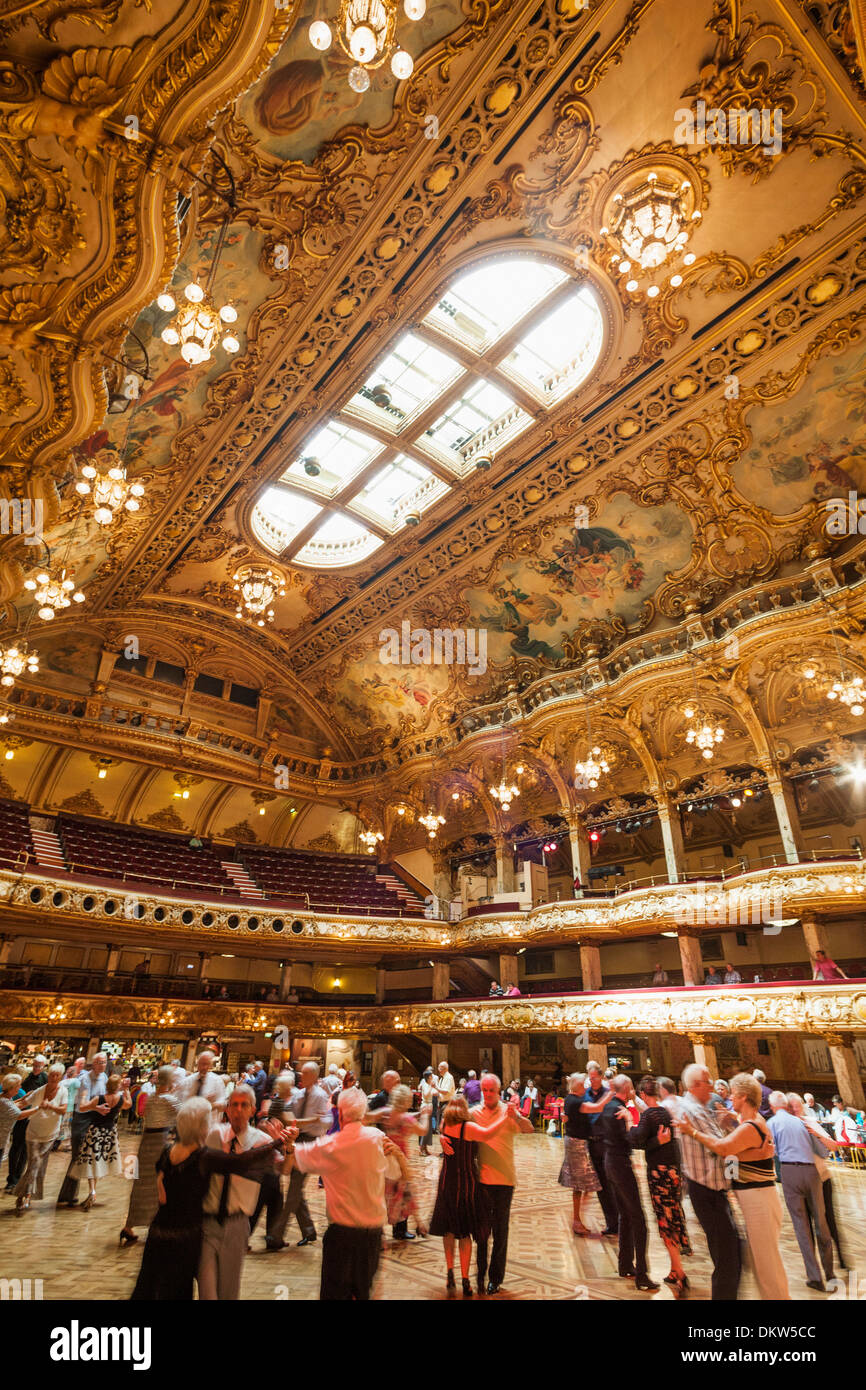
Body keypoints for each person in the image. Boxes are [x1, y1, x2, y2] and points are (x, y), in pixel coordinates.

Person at [131, 1096, 281, 1300]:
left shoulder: (168, 1151)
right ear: (201, 1126)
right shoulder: (204, 1157)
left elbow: (162, 1196)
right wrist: (277, 1142)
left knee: (150, 1287)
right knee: (176, 1290)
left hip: (159, 1232)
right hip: (185, 1235)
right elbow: (241, 1162)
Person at [284, 1085, 408, 1300]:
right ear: (363, 1113)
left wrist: (288, 1144)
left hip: (341, 1236)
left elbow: (292, 1161)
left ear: (339, 1114)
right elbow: (397, 1172)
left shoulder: (332, 1145)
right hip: (372, 1236)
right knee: (363, 1293)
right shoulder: (378, 1138)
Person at [678, 1072, 788, 1299]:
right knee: (760, 1260)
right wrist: (732, 1125)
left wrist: (692, 1131)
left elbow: (724, 1149)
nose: (730, 1099)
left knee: (766, 1263)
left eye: (734, 1095)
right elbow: (734, 1156)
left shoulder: (750, 1125)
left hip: (759, 1199)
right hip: (754, 1199)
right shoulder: (746, 1124)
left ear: (744, 1097)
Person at [430, 1091, 518, 1297]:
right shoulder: (467, 1127)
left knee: (448, 1229)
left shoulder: (444, 1125)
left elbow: (441, 1130)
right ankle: (465, 1278)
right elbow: (487, 1133)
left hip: (446, 1181)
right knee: (465, 1231)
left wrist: (441, 1137)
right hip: (466, 1183)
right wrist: (505, 1117)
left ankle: (450, 1272)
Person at [199, 1085, 275, 1299]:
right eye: (234, 1105)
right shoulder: (215, 1135)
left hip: (237, 1223)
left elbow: (283, 1170)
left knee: (228, 1292)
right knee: (207, 1291)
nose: (238, 1110)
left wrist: (287, 1148)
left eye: (244, 1105)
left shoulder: (262, 1141)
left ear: (253, 1110)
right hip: (209, 1222)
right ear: (227, 1109)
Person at [677, 1062, 741, 1300]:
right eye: (708, 1081)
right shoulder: (691, 1110)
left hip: (713, 1188)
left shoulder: (702, 1108)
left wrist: (726, 1126)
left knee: (730, 1253)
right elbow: (723, 1148)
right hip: (707, 1190)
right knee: (727, 1257)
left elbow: (718, 1143)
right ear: (695, 1085)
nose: (713, 1086)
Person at [624, 1076, 691, 1296]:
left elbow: (635, 1140)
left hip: (659, 1174)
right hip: (673, 1171)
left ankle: (679, 1271)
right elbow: (662, 1139)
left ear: (643, 1094)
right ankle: (674, 1268)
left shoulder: (647, 1116)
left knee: (665, 1220)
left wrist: (627, 1122)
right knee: (674, 1216)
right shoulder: (664, 1112)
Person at [471, 1072, 534, 1294]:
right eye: (484, 1090)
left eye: (491, 1091)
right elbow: (449, 1126)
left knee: (500, 1232)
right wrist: (441, 1137)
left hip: (505, 1181)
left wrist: (516, 1117)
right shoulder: (473, 1113)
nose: (487, 1094)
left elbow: (529, 1129)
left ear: (499, 1092)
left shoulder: (508, 1111)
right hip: (481, 1181)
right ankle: (480, 1274)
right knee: (480, 1233)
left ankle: (495, 1278)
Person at [767, 1091, 835, 1292]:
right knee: (821, 1223)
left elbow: (772, 1151)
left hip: (789, 1171)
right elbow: (824, 1150)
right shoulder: (802, 1123)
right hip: (812, 1172)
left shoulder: (772, 1123)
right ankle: (830, 1273)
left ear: (772, 1106)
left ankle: (815, 1277)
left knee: (801, 1225)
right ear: (787, 1105)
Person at [599, 1075, 659, 1290]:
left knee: (625, 1214)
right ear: (628, 1089)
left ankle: (625, 1264)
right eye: (632, 1088)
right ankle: (642, 1275)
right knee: (639, 1220)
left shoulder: (608, 1106)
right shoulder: (619, 1110)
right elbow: (633, 1140)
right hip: (620, 1165)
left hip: (609, 1162)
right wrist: (629, 1122)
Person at [266, 1061, 330, 1250]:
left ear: (316, 1076)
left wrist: (309, 1123)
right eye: (302, 1074)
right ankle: (309, 1230)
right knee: (295, 1187)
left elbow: (324, 1122)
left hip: (310, 1143)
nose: (302, 1077)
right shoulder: (299, 1095)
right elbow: (291, 1120)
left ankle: (276, 1234)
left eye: (307, 1074)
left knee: (294, 1188)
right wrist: (303, 1123)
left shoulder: (320, 1095)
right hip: (296, 1141)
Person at [787, 1092, 848, 1270]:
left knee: (829, 1220)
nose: (793, 1110)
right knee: (807, 1226)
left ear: (802, 1106)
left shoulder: (810, 1122)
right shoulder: (787, 1127)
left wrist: (816, 1134)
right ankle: (814, 1267)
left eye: (796, 1106)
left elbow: (833, 1146)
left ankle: (841, 1257)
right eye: (790, 1107)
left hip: (822, 1179)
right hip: (801, 1183)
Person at [120, 1066, 180, 1245]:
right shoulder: (169, 1099)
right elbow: (186, 1114)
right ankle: (158, 1224)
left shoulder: (152, 1098)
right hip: (159, 1144)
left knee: (140, 1185)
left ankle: (129, 1225)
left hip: (145, 1143)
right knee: (161, 1183)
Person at [556, 1072, 608, 1236]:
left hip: (577, 1142)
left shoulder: (572, 1098)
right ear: (578, 1086)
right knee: (579, 1184)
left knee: (584, 1184)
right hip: (576, 1144)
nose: (586, 1085)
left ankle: (578, 1218)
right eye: (584, 1083)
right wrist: (611, 1093)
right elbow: (597, 1108)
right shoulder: (574, 1100)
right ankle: (577, 1220)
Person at [13, 1062, 68, 1214]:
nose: (53, 1078)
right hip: (33, 1132)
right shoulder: (40, 1090)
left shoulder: (63, 1091)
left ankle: (23, 1194)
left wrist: (51, 1106)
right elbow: (25, 1102)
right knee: (34, 1163)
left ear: (61, 1077)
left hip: (50, 1134)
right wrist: (9, 1108)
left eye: (57, 1075)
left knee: (35, 1165)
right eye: (51, 1075)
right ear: (48, 1075)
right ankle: (26, 1194)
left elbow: (63, 1109)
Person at [56, 1052, 110, 1206]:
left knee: (91, 1157)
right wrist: (97, 1107)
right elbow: (83, 1104)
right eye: (99, 1062)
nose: (102, 1064)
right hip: (82, 1119)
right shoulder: (85, 1079)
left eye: (104, 1062)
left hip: (95, 1120)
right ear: (93, 1063)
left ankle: (80, 1193)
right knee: (78, 1157)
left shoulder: (104, 1077)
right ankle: (68, 1194)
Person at [582, 1063, 618, 1236]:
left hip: (606, 1143)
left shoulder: (608, 1094)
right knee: (601, 1186)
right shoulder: (586, 1095)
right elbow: (588, 1116)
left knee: (613, 1183)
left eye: (594, 1077)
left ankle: (620, 1220)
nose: (592, 1080)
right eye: (590, 1078)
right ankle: (611, 1223)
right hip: (592, 1143)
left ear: (601, 1077)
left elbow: (598, 1115)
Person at [179, 1051, 226, 1127]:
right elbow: (181, 1101)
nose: (204, 1067)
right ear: (197, 1064)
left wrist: (211, 1104)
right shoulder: (188, 1081)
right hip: (190, 1122)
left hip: (209, 1123)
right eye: (202, 1064)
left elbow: (222, 1102)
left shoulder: (217, 1081)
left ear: (210, 1065)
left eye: (207, 1064)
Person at [0, 1073, 25, 1183]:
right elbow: (19, 1115)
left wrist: (23, 1100)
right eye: (18, 1085)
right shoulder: (4, 1101)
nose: (20, 1087)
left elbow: (12, 1106)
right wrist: (39, 1108)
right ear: (12, 1088)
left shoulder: (3, 1097)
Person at [419, 1067, 437, 1154]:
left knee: (428, 1129)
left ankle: (425, 1148)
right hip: (425, 1106)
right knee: (424, 1128)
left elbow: (434, 1093)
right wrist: (431, 1086)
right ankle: (422, 1148)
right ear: (428, 1077)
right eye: (431, 1076)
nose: (432, 1077)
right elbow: (426, 1095)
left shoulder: (429, 1084)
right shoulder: (425, 1084)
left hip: (429, 1106)